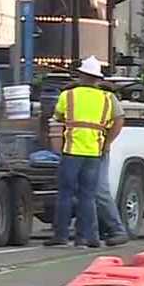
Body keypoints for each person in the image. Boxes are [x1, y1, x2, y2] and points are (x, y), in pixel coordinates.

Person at [46, 56, 123, 248]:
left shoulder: (68, 95)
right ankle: (84, 237)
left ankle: (61, 235)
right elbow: (119, 120)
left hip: (72, 150)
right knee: (87, 196)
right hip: (94, 152)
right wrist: (107, 143)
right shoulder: (107, 98)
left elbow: (57, 117)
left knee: (65, 193)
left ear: (81, 75)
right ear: (97, 79)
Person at [95, 82, 130, 246]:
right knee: (86, 192)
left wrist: (107, 143)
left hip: (97, 149)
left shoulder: (107, 97)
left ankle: (117, 229)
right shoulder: (74, 95)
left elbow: (118, 120)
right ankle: (95, 231)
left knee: (99, 190)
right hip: (78, 149)